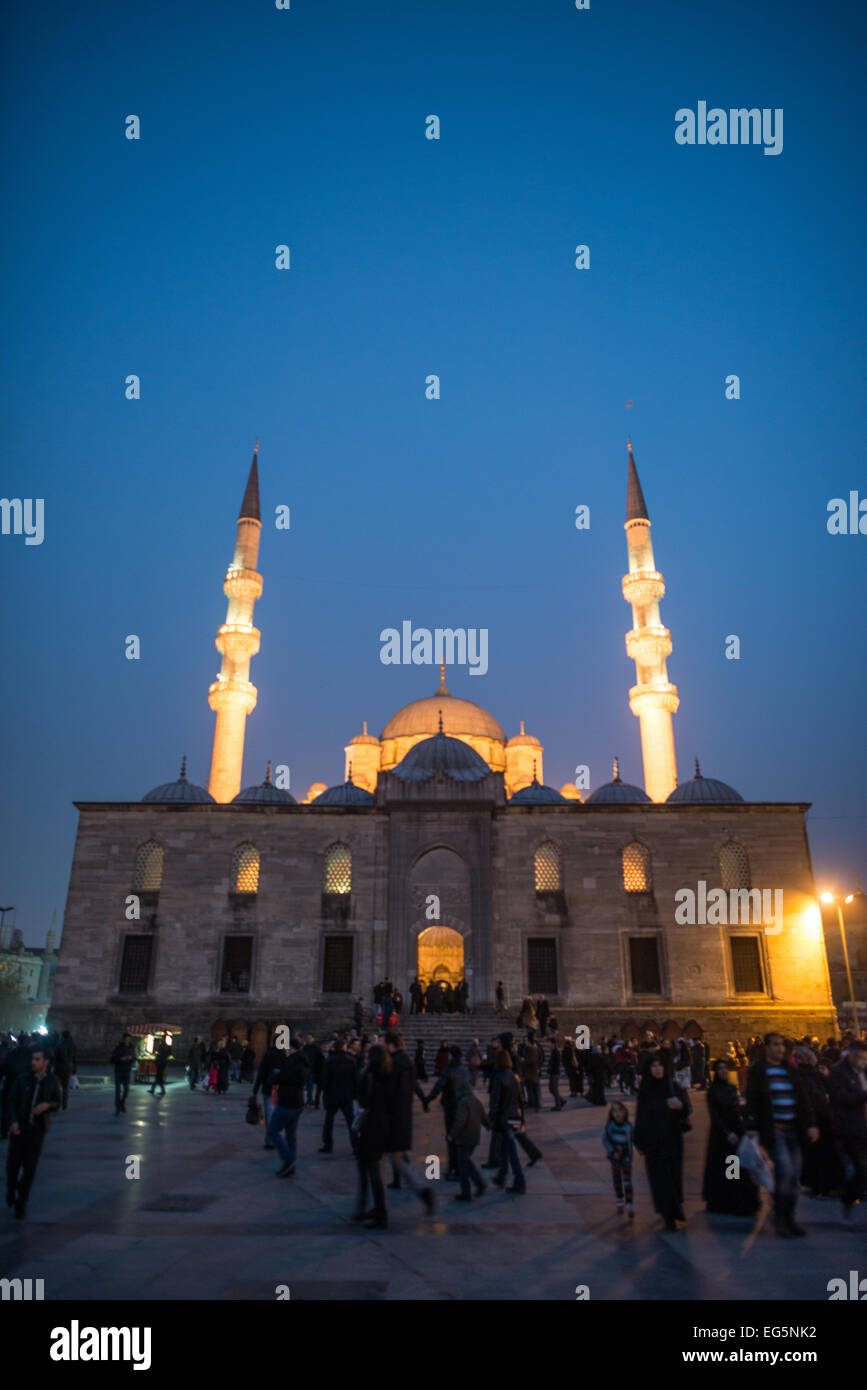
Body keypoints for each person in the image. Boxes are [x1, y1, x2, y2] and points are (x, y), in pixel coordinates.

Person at [744, 1031, 818, 1238]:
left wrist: (811, 1124)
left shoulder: (789, 1069)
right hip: (773, 1130)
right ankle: (781, 1216)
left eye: (782, 1045)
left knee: (794, 1176)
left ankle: (789, 1216)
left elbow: (802, 1099)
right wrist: (751, 1125)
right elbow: (752, 1097)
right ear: (766, 1047)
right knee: (784, 1171)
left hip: (793, 1129)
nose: (780, 1049)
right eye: (775, 1045)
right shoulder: (758, 1070)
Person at [633, 1056, 691, 1230]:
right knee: (661, 1179)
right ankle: (668, 1215)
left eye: (660, 1065)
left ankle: (674, 1208)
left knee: (673, 1177)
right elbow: (641, 1116)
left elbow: (686, 1109)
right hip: (654, 1143)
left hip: (672, 1139)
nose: (658, 1069)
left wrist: (679, 1107)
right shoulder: (646, 1090)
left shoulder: (672, 1086)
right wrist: (640, 1142)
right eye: (654, 1066)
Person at [6, 1047, 61, 1219]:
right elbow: (10, 1102)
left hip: (37, 1131)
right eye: (33, 1059)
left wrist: (48, 1105)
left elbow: (58, 1102)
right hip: (19, 1128)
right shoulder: (22, 1079)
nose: (33, 1062)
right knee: (12, 1167)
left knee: (29, 1169)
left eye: (37, 1059)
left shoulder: (52, 1081)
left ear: (46, 1062)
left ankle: (21, 1202)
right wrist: (12, 1121)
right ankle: (11, 1189)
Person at [383, 1031, 435, 1213]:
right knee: (399, 1156)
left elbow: (387, 1091)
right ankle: (409, 1184)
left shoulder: (393, 1064)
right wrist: (424, 1100)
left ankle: (421, 1190)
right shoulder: (409, 1063)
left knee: (388, 1159)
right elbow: (415, 1085)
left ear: (391, 1045)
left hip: (392, 1115)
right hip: (405, 1114)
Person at [702, 1060, 759, 1216]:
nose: (723, 1071)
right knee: (729, 1167)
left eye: (725, 1068)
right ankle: (726, 1200)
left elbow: (737, 1109)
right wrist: (727, 1132)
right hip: (723, 1137)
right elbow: (715, 1115)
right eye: (719, 1069)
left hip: (736, 1132)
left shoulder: (732, 1089)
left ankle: (735, 1197)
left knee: (735, 1167)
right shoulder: (713, 1091)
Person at [827, 1038, 867, 1218]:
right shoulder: (839, 1073)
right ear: (850, 1055)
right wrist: (864, 1096)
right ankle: (849, 1196)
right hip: (851, 1128)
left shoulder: (864, 1072)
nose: (863, 1061)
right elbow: (840, 1098)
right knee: (861, 1168)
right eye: (859, 1057)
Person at [353, 1043, 391, 1228]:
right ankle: (370, 1209)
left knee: (370, 1170)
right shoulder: (388, 1074)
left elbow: (362, 1099)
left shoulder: (369, 1075)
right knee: (372, 1168)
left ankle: (378, 1211)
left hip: (371, 1126)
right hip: (382, 1125)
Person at [794, 1046, 837, 1198]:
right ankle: (823, 1185)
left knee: (814, 1155)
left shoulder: (804, 1076)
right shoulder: (810, 1076)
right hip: (818, 1120)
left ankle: (817, 1185)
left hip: (813, 1121)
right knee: (820, 1154)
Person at [268, 1037, 310, 1177]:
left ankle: (289, 1159)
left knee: (273, 1130)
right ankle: (289, 1166)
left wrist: (274, 1077)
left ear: (292, 1048)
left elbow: (281, 1077)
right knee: (290, 1135)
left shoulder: (293, 1062)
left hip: (287, 1102)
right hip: (298, 1102)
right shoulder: (303, 1061)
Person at [427, 1045, 468, 1180]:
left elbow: (439, 1086)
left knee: (451, 1138)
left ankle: (455, 1168)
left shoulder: (449, 1070)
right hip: (462, 1106)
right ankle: (459, 1167)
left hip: (451, 1107)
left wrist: (428, 1099)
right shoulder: (464, 1070)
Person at [489, 1050, 526, 1194]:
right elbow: (521, 1101)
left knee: (511, 1151)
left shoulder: (498, 1077)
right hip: (515, 1117)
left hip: (504, 1119)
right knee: (505, 1148)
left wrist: (492, 1117)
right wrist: (523, 1120)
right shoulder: (515, 1077)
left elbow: (495, 1102)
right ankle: (501, 1176)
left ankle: (520, 1181)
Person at [449, 1076, 490, 1201]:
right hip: (474, 1137)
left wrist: (452, 1134)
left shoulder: (463, 1102)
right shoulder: (476, 1101)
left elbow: (460, 1121)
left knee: (463, 1166)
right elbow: (484, 1117)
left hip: (464, 1137)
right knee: (466, 1162)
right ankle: (479, 1183)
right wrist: (489, 1126)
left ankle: (466, 1192)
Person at [319, 1041, 359, 1155]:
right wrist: (355, 1094)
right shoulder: (351, 1061)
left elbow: (324, 1079)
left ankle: (328, 1144)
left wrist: (326, 1092)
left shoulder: (330, 1061)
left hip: (333, 1095)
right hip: (347, 1095)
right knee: (351, 1122)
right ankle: (356, 1146)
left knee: (329, 1121)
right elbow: (356, 1080)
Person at [253, 1030, 286, 1149]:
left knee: (269, 1115)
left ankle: (270, 1140)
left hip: (269, 1088)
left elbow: (261, 1073)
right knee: (278, 1114)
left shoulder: (268, 1054)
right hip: (281, 1089)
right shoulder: (284, 1056)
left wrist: (255, 1090)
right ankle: (276, 1137)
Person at [602, 1100, 634, 1217]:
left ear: (625, 1112)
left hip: (626, 1158)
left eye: (620, 1110)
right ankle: (620, 1199)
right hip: (614, 1159)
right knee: (617, 1181)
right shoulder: (610, 1126)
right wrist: (611, 1151)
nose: (618, 1113)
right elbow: (605, 1140)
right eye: (614, 1111)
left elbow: (635, 1139)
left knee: (627, 1181)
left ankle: (629, 1203)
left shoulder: (629, 1127)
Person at [110, 1033, 136, 1115]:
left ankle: (122, 1103)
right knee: (118, 1090)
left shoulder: (131, 1048)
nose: (127, 1041)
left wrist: (131, 1059)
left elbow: (134, 1057)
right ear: (123, 1039)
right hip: (119, 1070)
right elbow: (112, 1059)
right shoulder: (119, 1048)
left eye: (128, 1039)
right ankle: (118, 1108)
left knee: (126, 1089)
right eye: (126, 1039)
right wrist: (121, 1059)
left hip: (127, 1070)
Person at [53, 1030, 77, 1111]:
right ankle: (65, 1104)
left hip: (59, 1067)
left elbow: (55, 1057)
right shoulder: (72, 1045)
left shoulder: (59, 1045)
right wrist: (74, 1068)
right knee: (65, 1087)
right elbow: (74, 1057)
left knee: (57, 1087)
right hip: (69, 1066)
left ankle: (57, 1104)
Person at [301, 1035, 324, 1109]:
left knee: (311, 1086)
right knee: (308, 1086)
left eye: (310, 1038)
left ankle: (311, 1100)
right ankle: (309, 1100)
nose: (308, 1040)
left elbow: (320, 1059)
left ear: (313, 1039)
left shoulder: (316, 1048)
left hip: (314, 1070)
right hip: (306, 1070)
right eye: (307, 1038)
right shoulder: (305, 1048)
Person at [522, 1033, 541, 1111]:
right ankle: (535, 1105)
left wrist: (524, 1061)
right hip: (533, 1072)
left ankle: (533, 1105)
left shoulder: (530, 1049)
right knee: (533, 1090)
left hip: (530, 1073)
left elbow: (531, 1060)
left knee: (531, 1090)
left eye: (526, 1040)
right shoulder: (535, 1048)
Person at [548, 1034, 565, 1110]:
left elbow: (556, 1064)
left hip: (555, 1073)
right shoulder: (553, 1052)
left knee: (554, 1089)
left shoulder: (556, 1052)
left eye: (550, 1043)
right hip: (553, 1073)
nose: (548, 1045)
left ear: (553, 1044)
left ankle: (558, 1106)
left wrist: (551, 1069)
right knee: (551, 1089)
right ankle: (561, 1100)